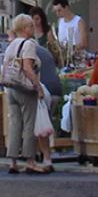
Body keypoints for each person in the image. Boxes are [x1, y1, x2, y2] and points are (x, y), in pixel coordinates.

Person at [0, 14, 48, 174]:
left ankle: (13, 161)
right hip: (24, 89)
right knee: (29, 123)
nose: (32, 29)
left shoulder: (11, 45)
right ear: (23, 29)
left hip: (11, 88)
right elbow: (27, 68)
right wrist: (38, 86)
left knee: (14, 124)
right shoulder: (29, 44)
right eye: (30, 26)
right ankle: (30, 160)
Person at [32, 23, 63, 171]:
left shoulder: (28, 51)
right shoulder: (43, 50)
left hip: (45, 91)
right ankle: (45, 154)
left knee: (40, 125)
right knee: (46, 122)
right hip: (56, 89)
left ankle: (45, 157)